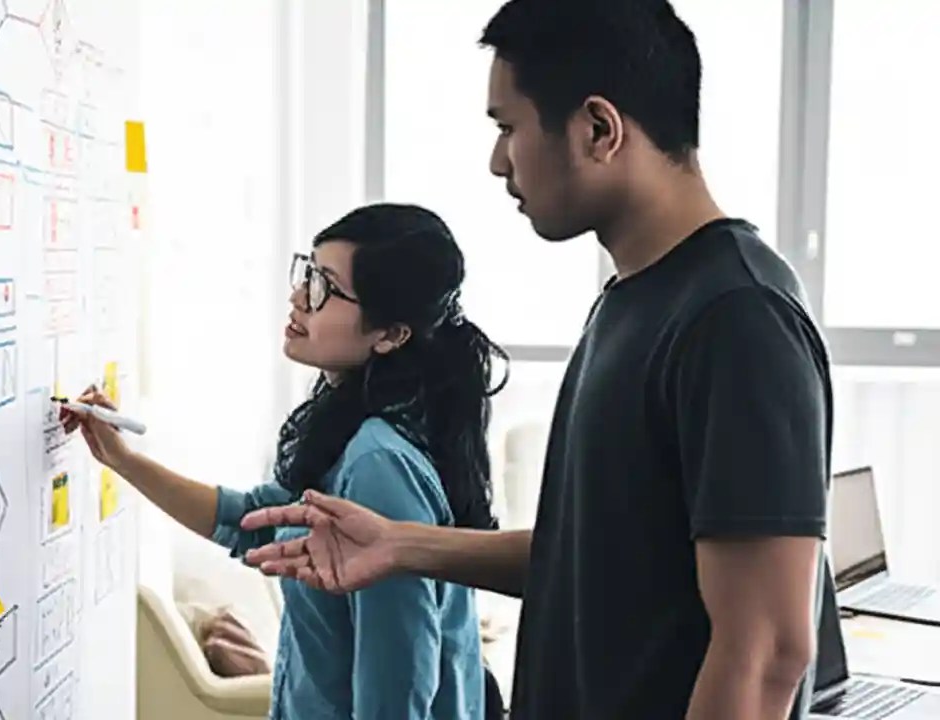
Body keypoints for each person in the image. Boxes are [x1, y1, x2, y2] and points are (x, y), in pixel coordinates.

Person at [239, 1, 834, 719]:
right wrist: (405, 546)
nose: (498, 161)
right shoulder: (633, 301)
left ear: (596, 129)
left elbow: (768, 652)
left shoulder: (736, 316)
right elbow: (592, 559)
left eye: (508, 127)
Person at [62, 202, 510, 719]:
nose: (299, 298)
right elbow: (249, 520)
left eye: (325, 288)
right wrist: (121, 459)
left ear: (390, 334)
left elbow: (398, 687)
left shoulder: (378, 465)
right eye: (308, 274)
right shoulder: (350, 425)